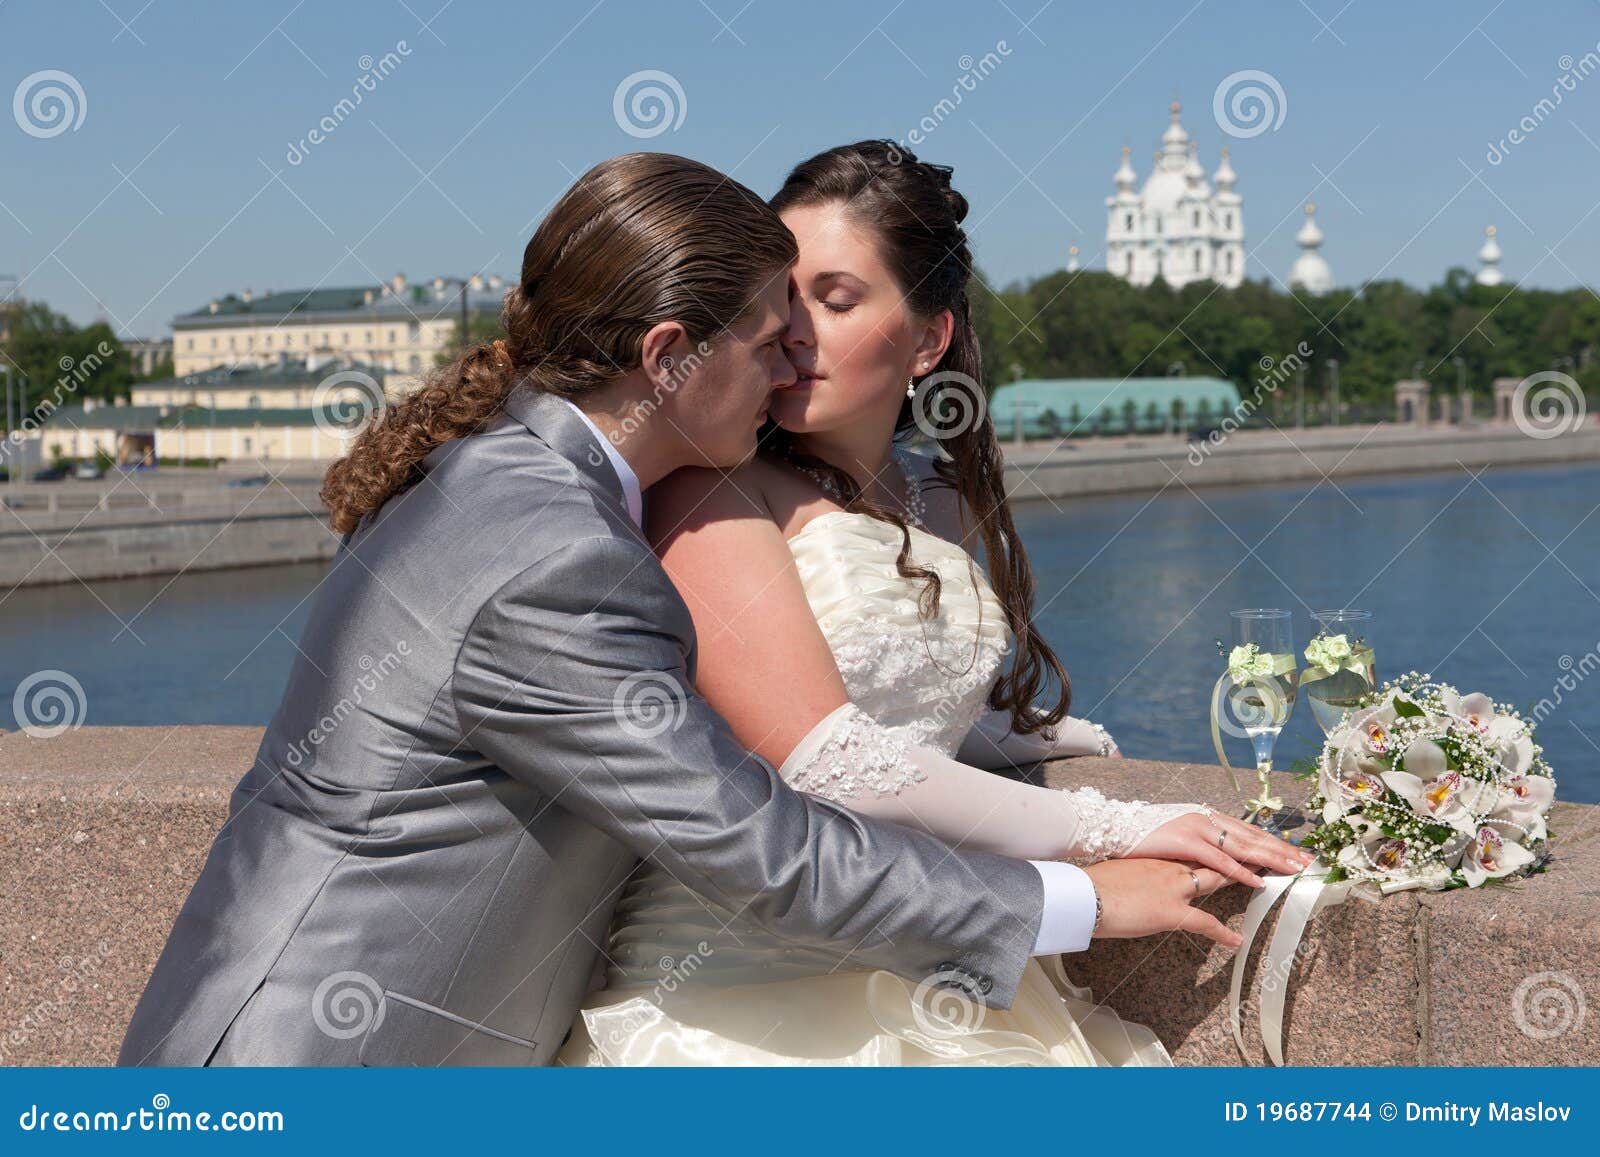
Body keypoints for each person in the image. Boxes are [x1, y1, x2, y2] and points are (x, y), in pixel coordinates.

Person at [117, 152, 1249, 1068]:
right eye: (765, 341)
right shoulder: (552, 544)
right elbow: (758, 841)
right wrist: (1075, 896)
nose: (785, 366)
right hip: (323, 1055)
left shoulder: (527, 490)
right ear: (667, 357)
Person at [558, 142, 1311, 1066]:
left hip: (935, 956)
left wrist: (1024, 736)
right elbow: (826, 757)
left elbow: (898, 702)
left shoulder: (938, 499)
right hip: (739, 992)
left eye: (835, 301)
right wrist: (1119, 824)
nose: (795, 331)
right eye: (784, 300)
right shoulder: (710, 493)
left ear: (928, 339)